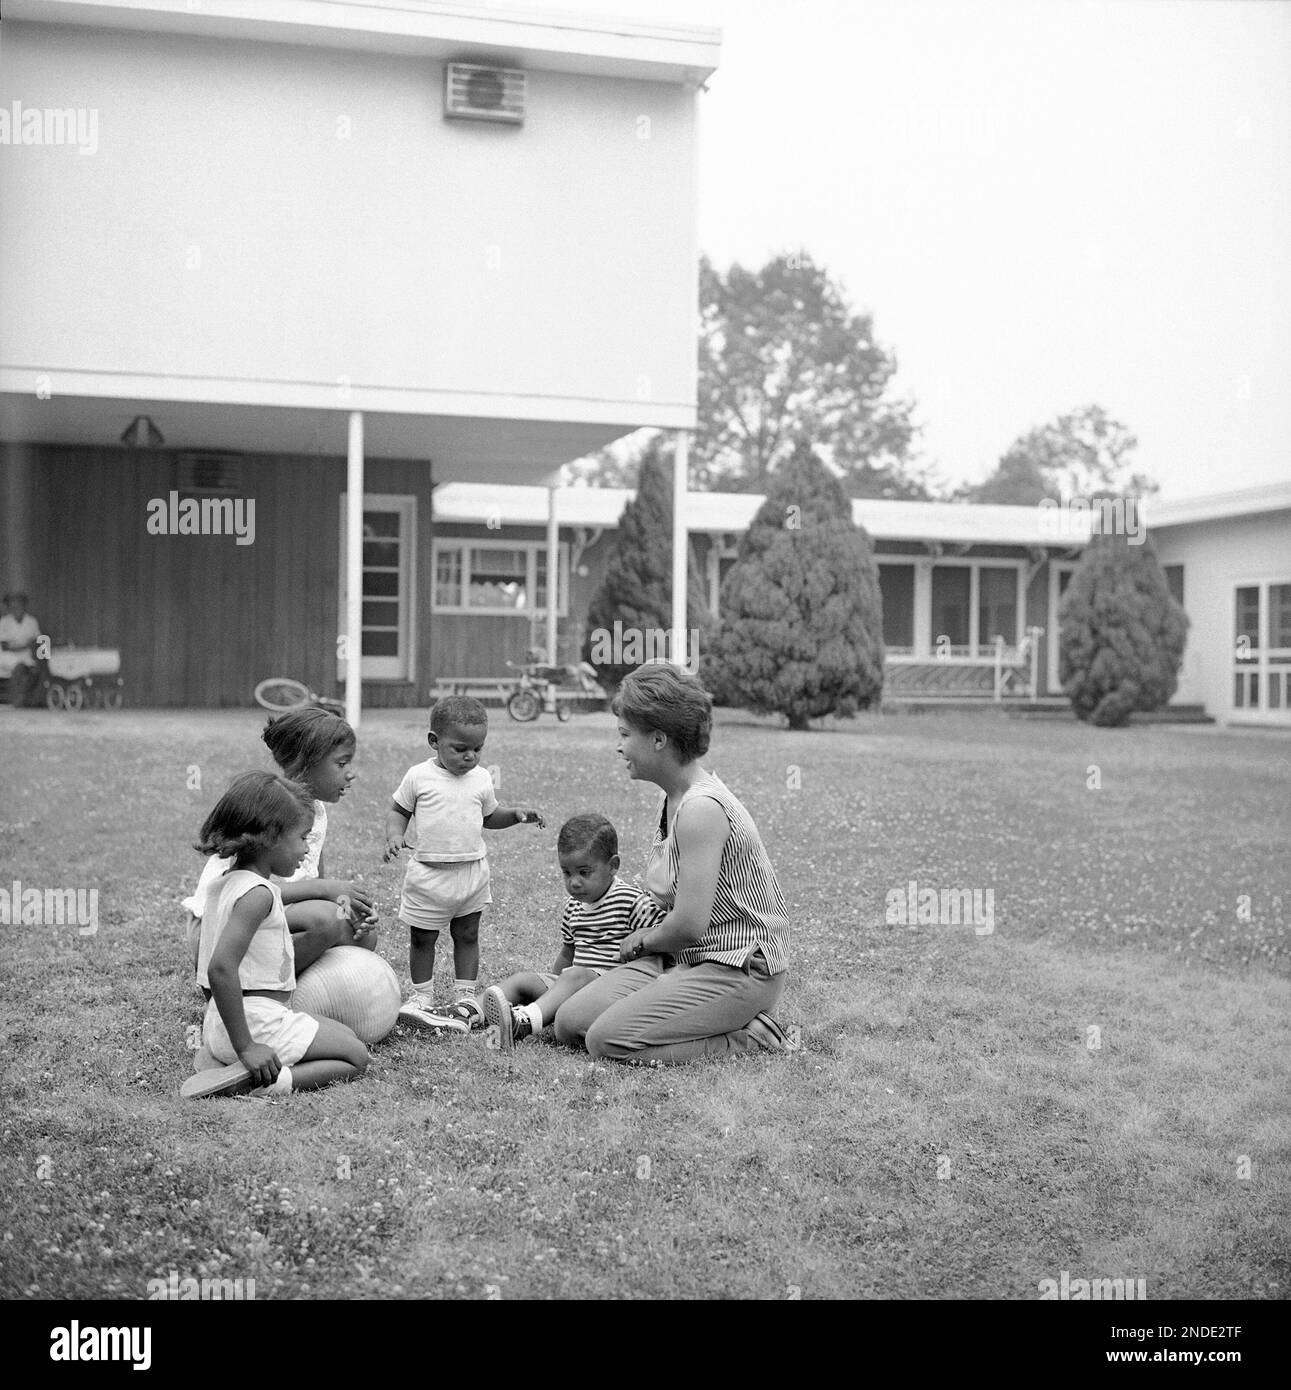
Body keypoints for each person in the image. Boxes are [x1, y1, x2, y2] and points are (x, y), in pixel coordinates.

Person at [554, 664, 792, 1064]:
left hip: (735, 966)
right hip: (684, 957)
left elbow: (688, 925)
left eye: (625, 735)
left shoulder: (701, 809)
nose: (619, 747)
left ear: (659, 739)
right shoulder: (674, 798)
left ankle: (749, 1037)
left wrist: (638, 942)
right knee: (568, 1023)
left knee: (605, 1041)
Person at [181, 771, 370, 1098]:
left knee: (346, 1033)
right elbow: (220, 968)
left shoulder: (220, 884)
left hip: (221, 1022)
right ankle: (266, 1082)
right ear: (270, 837)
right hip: (254, 1025)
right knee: (356, 1056)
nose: (306, 850)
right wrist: (247, 1046)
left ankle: (220, 1057)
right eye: (302, 838)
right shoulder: (259, 895)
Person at [383, 695, 544, 1033]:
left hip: (471, 871)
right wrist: (394, 836)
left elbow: (488, 816)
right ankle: (421, 997)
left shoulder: (481, 778)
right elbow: (399, 810)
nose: (470, 756)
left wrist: (514, 816)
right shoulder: (418, 777)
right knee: (423, 938)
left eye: (478, 749)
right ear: (434, 742)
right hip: (429, 874)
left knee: (468, 934)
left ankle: (466, 996)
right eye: (460, 749)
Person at [183, 707, 378, 982]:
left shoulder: (315, 812)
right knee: (326, 920)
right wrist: (327, 889)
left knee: (363, 936)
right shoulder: (269, 809)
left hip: (269, 913)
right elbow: (245, 891)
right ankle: (253, 990)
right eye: (341, 763)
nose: (350, 774)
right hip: (219, 926)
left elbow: (313, 885)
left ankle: (294, 987)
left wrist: (350, 908)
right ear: (305, 762)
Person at [480, 812, 657, 1052]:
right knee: (526, 979)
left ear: (613, 866)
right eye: (567, 872)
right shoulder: (573, 905)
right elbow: (568, 953)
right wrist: (554, 987)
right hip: (573, 986)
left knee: (576, 975)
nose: (574, 882)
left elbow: (662, 935)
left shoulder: (632, 901)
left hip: (607, 991)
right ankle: (469, 1012)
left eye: (584, 872)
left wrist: (644, 935)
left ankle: (522, 1023)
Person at [0, 592, 42, 707]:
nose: (16, 608)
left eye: (19, 605)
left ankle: (25, 699)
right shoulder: (4, 622)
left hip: (26, 655)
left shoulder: (32, 621)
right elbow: (5, 646)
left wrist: (41, 655)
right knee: (20, 667)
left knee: (35, 670)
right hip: (7, 656)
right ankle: (16, 700)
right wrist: (25, 646)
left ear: (25, 606)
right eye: (13, 606)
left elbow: (38, 641)